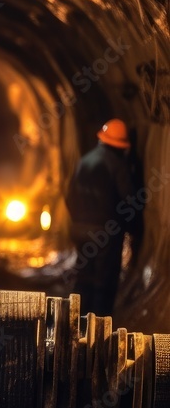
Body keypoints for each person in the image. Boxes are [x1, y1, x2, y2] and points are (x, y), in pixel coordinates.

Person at [64, 119, 141, 316]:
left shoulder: (84, 161)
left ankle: (75, 324)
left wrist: (78, 221)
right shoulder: (117, 165)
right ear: (122, 146)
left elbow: (68, 195)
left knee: (84, 276)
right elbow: (130, 200)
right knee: (103, 282)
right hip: (104, 233)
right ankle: (98, 331)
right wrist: (132, 228)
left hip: (79, 230)